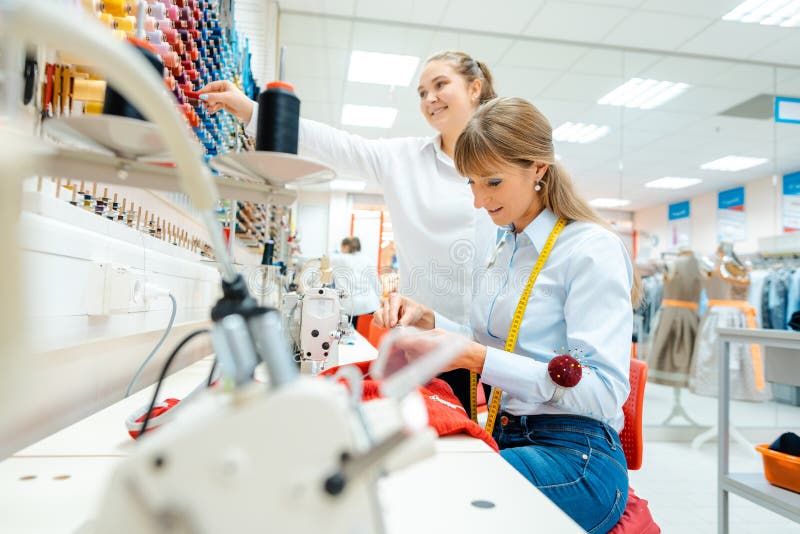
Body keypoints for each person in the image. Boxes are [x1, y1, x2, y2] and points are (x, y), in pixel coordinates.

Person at [373, 97, 642, 532]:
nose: (479, 201)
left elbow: (605, 391)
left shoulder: (590, 249)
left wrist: (477, 360)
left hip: (577, 456)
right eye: (472, 184)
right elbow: (499, 342)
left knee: (435, 504)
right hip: (508, 432)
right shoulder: (507, 247)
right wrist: (432, 321)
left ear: (538, 168)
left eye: (492, 183)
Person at [198, 51, 497, 408]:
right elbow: (338, 145)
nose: (429, 98)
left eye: (440, 85)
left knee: (482, 447)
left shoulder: (504, 165)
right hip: (423, 341)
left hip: (488, 345)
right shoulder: (404, 159)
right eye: (421, 92)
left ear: (475, 88)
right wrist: (252, 110)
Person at [331, 236, 382, 331]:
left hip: (349, 308)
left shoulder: (338, 259)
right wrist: (379, 300)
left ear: (345, 247)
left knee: (348, 338)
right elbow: (376, 284)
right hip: (369, 305)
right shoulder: (368, 260)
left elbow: (322, 266)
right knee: (366, 337)